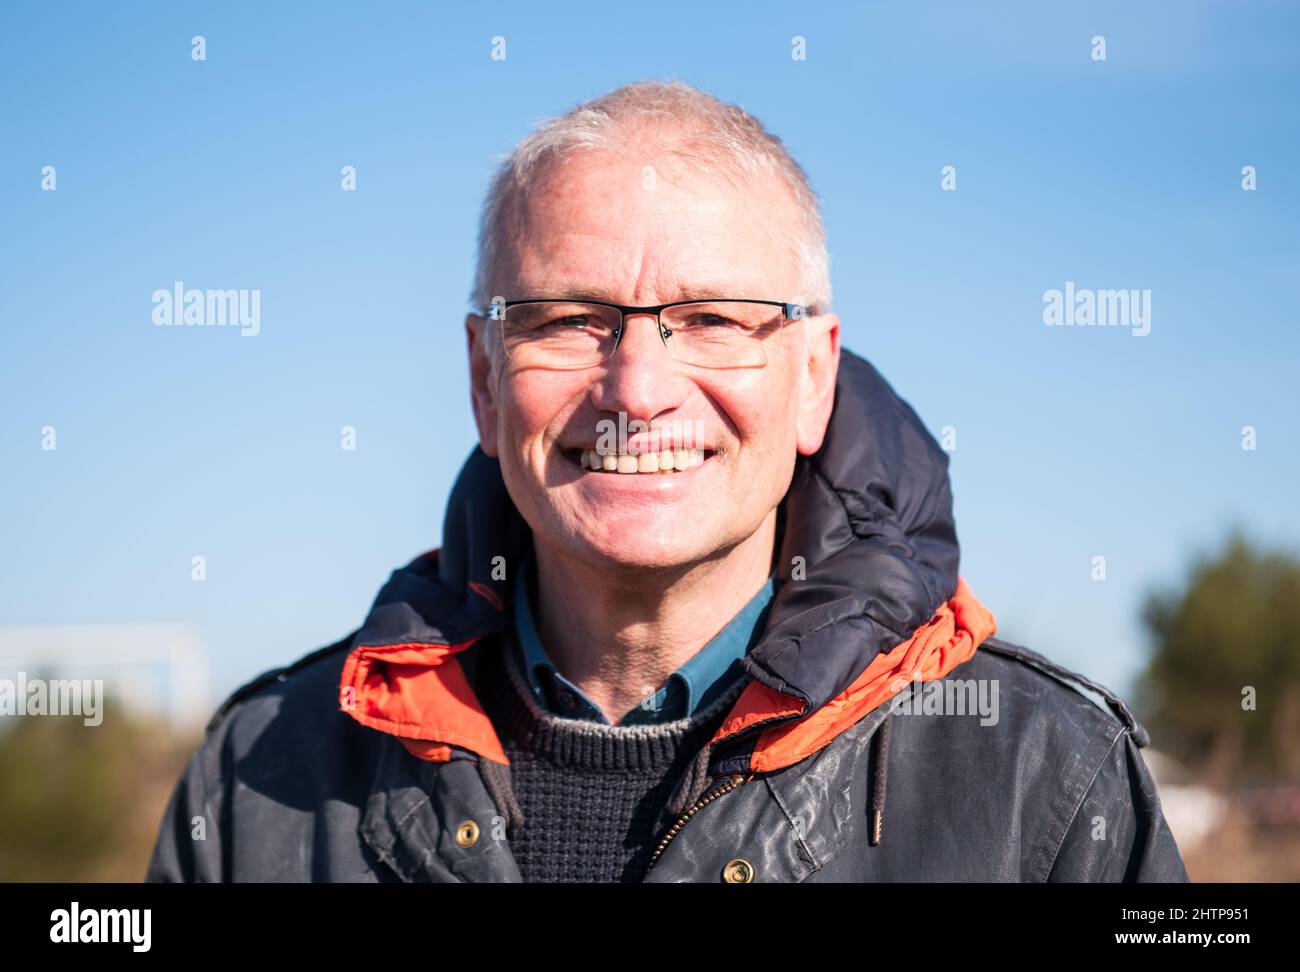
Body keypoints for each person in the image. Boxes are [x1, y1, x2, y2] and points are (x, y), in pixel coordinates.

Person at [147, 80, 1187, 883]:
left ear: (813, 375)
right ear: (481, 378)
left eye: (712, 318)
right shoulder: (261, 783)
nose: (637, 389)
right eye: (566, 320)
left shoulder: (1045, 780)